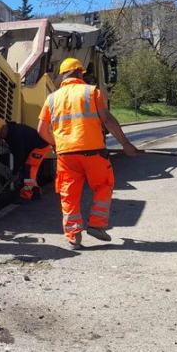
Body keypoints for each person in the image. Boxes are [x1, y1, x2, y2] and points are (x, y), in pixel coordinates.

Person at [37, 58, 138, 250]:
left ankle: (74, 236)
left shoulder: (51, 98)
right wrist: (125, 144)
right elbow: (107, 120)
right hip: (92, 152)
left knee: (69, 193)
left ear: (63, 75)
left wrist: (57, 144)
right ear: (79, 73)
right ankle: (97, 225)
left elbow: (41, 130)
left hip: (66, 155)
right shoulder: (92, 92)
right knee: (103, 184)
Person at [0, 120, 54, 201]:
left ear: (3, 128)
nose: (0, 137)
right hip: (37, 146)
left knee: (29, 170)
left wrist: (15, 172)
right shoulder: (11, 131)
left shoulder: (15, 134)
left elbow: (19, 155)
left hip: (40, 147)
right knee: (29, 171)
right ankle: (35, 192)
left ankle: (27, 195)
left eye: (0, 134)